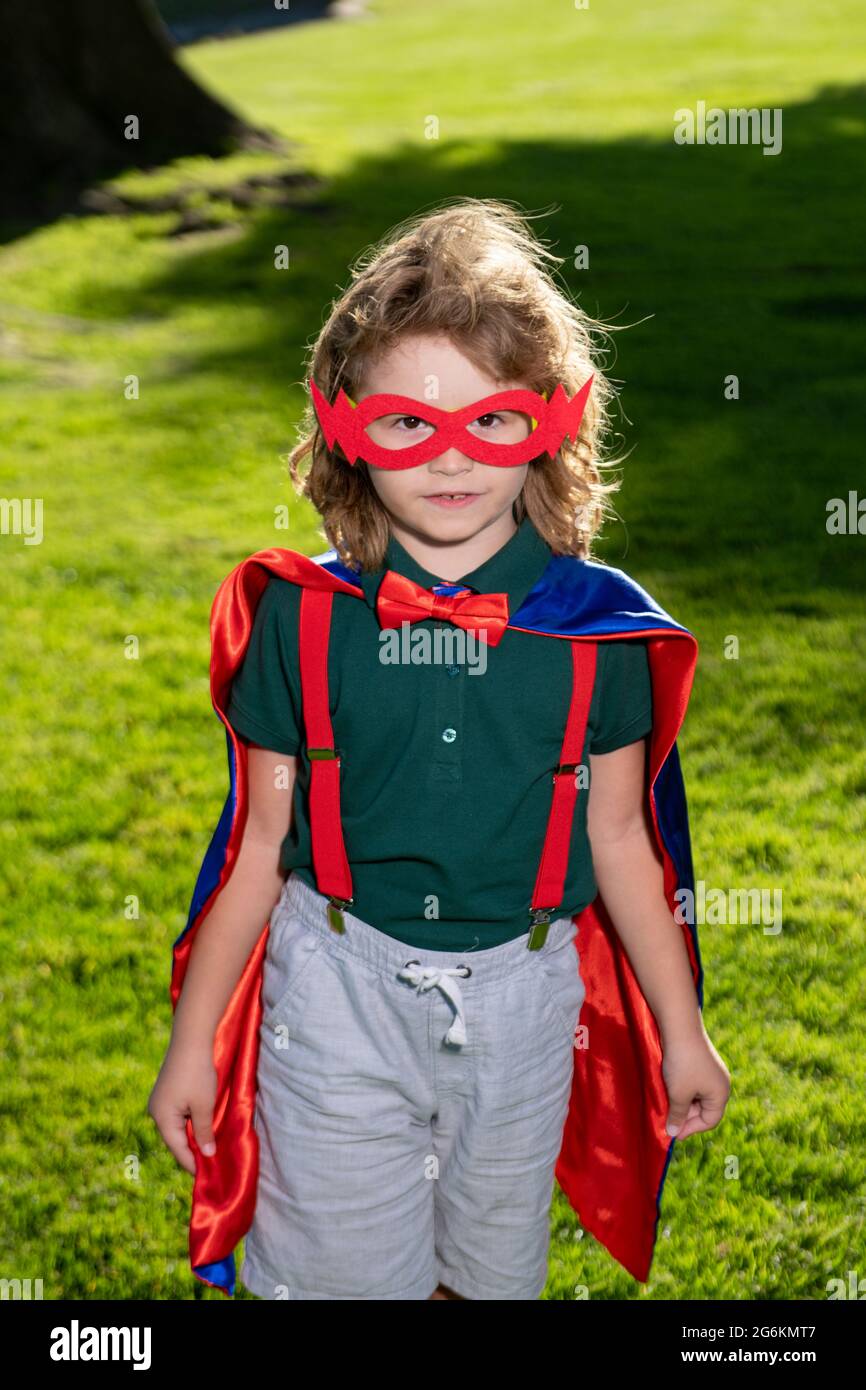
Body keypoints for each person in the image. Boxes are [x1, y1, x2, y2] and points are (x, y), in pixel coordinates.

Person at [149, 198, 730, 1300]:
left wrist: (679, 1027)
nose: (449, 458)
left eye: (490, 419)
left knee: (486, 1272)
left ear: (553, 421)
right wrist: (194, 1042)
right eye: (407, 423)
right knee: (336, 1274)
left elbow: (621, 841)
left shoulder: (599, 636)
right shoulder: (297, 619)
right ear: (343, 430)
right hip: (335, 989)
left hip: (526, 997)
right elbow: (257, 843)